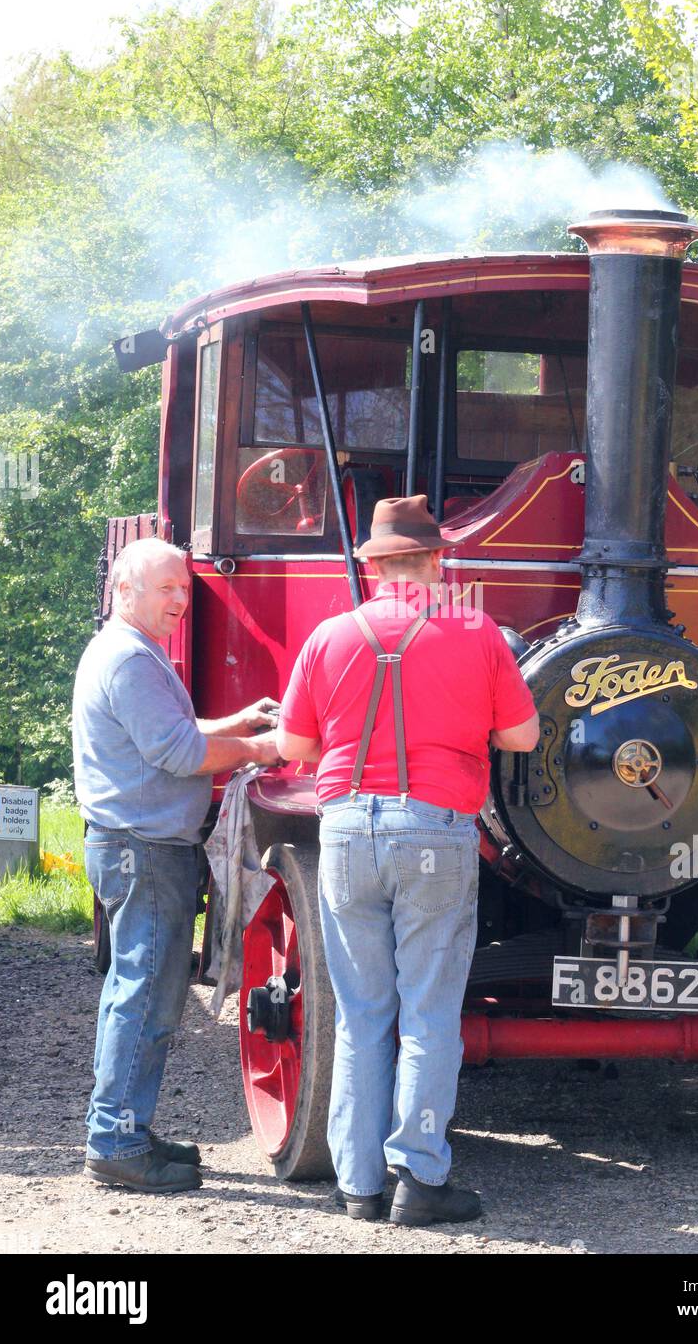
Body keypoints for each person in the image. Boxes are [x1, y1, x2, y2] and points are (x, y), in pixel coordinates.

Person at [276, 495, 539, 1227]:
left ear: (372, 565)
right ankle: (417, 1180)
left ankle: (357, 1186)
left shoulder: (330, 635)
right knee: (428, 1012)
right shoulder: (475, 630)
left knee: (361, 1015)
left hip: (345, 830)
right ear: (437, 559)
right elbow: (521, 735)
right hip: (434, 830)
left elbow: (295, 750)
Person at [73, 537, 281, 1193]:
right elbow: (179, 754)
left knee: (137, 995)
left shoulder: (129, 652)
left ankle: (124, 1128)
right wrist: (265, 745)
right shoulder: (131, 661)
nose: (180, 601)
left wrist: (236, 722)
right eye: (167, 589)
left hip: (136, 846)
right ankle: (116, 1144)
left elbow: (179, 735)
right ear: (124, 590)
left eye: (185, 590)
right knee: (144, 1000)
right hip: (143, 850)